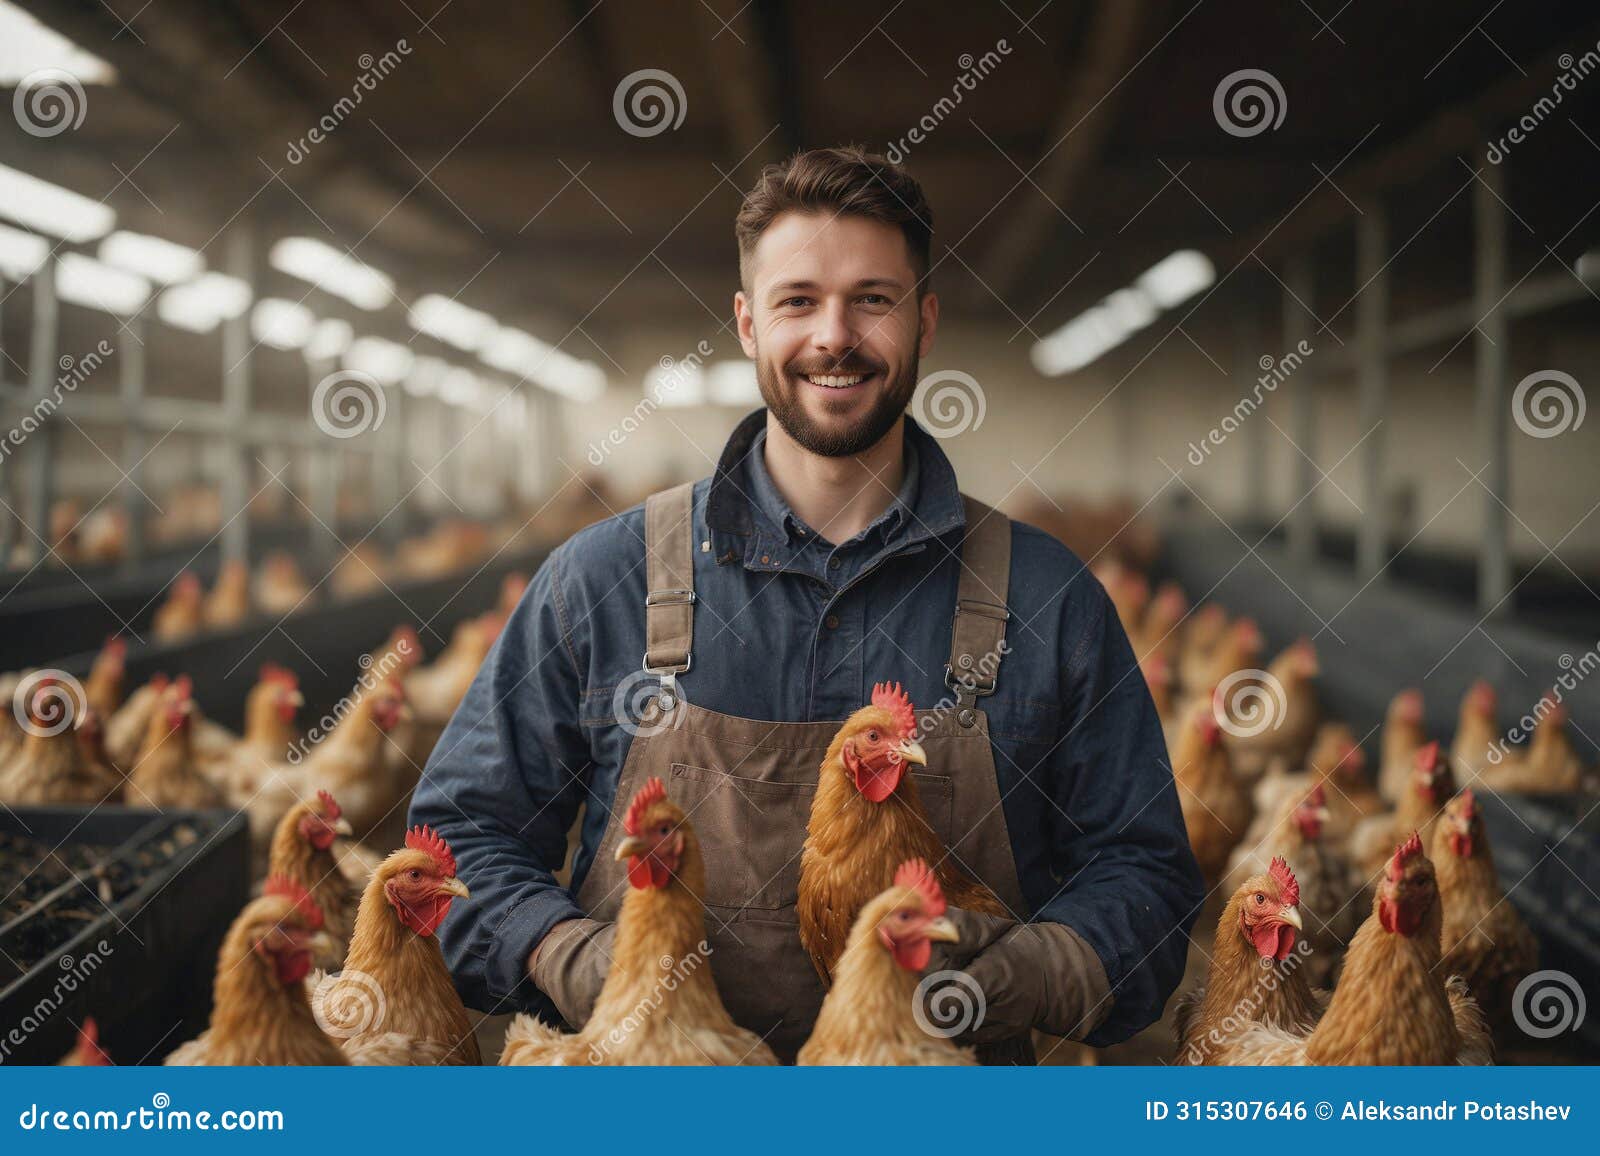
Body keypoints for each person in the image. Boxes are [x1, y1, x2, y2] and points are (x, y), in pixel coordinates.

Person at [410, 145, 1204, 1063]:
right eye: (798, 301)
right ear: (748, 325)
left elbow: (1145, 873)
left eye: (874, 298)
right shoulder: (603, 580)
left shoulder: (1045, 596)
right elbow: (463, 835)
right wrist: (587, 964)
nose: (836, 336)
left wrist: (1016, 975)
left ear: (925, 322)